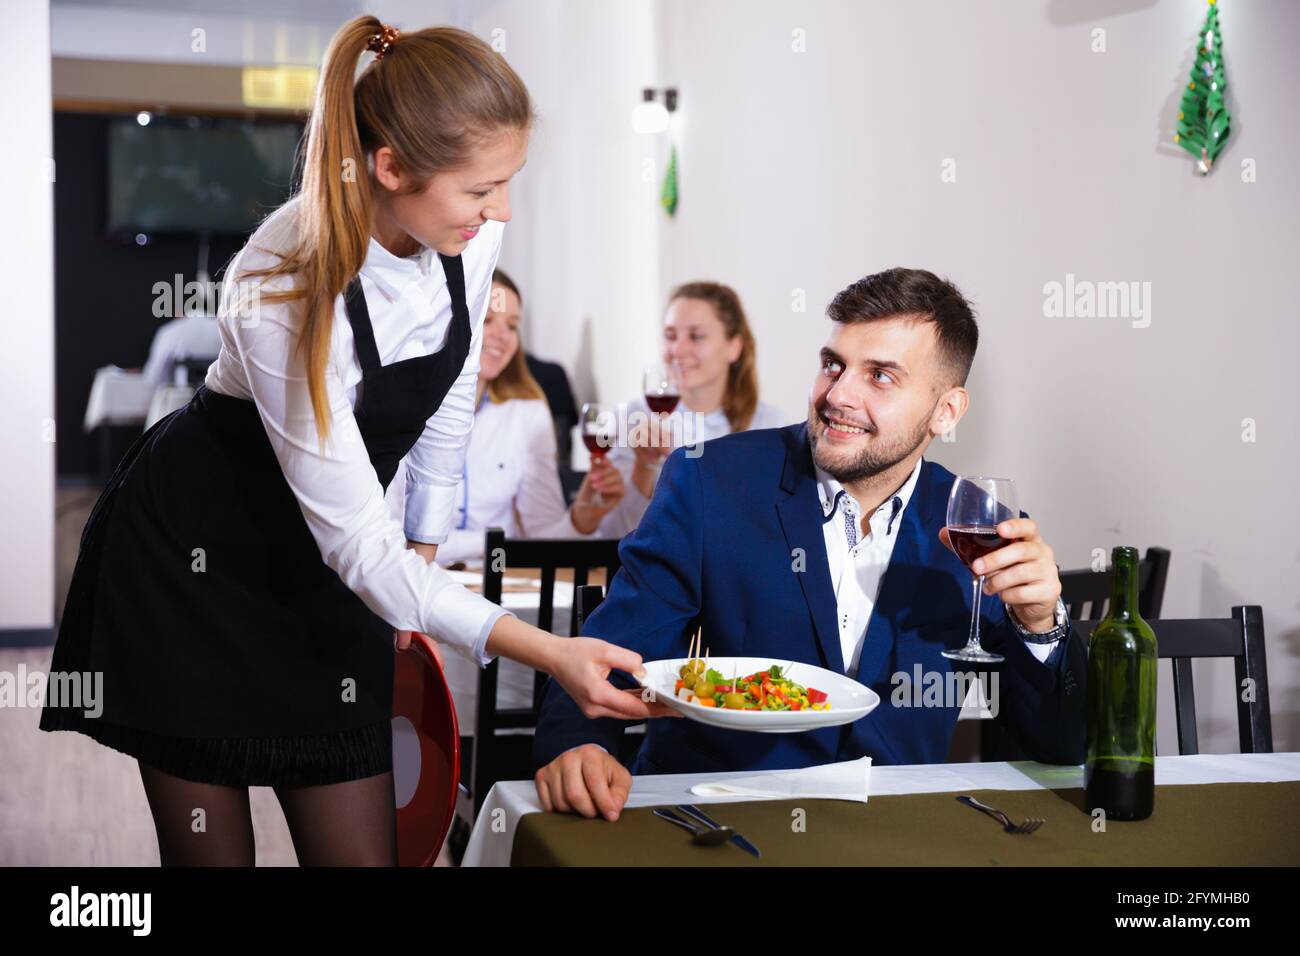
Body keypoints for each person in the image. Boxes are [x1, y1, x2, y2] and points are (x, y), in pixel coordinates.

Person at [40, 16, 662, 866]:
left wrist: (425, 550)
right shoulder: (280, 288)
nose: (502, 210)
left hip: (335, 571)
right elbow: (360, 551)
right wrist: (551, 653)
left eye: (507, 183)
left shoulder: (468, 229)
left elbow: (445, 397)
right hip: (196, 571)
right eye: (482, 190)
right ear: (392, 166)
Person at [533, 268, 1085, 821]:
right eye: (833, 365)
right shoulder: (711, 482)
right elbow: (611, 651)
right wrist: (580, 745)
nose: (838, 395)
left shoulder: (978, 529)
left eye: (881, 376)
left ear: (946, 411)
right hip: (718, 818)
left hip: (895, 831)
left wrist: (1042, 625)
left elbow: (1061, 749)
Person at [385, 269, 624, 567]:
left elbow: (540, 538)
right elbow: (386, 541)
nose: (502, 336)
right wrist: (495, 541)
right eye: (487, 320)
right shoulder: (398, 404)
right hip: (409, 586)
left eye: (512, 326)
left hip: (497, 586)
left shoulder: (528, 412)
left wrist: (582, 519)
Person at [596, 281, 787, 537]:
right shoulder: (632, 418)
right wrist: (643, 468)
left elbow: (772, 529)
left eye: (696, 336)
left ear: (734, 347)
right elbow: (613, 535)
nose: (678, 350)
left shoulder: (768, 425)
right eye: (671, 336)